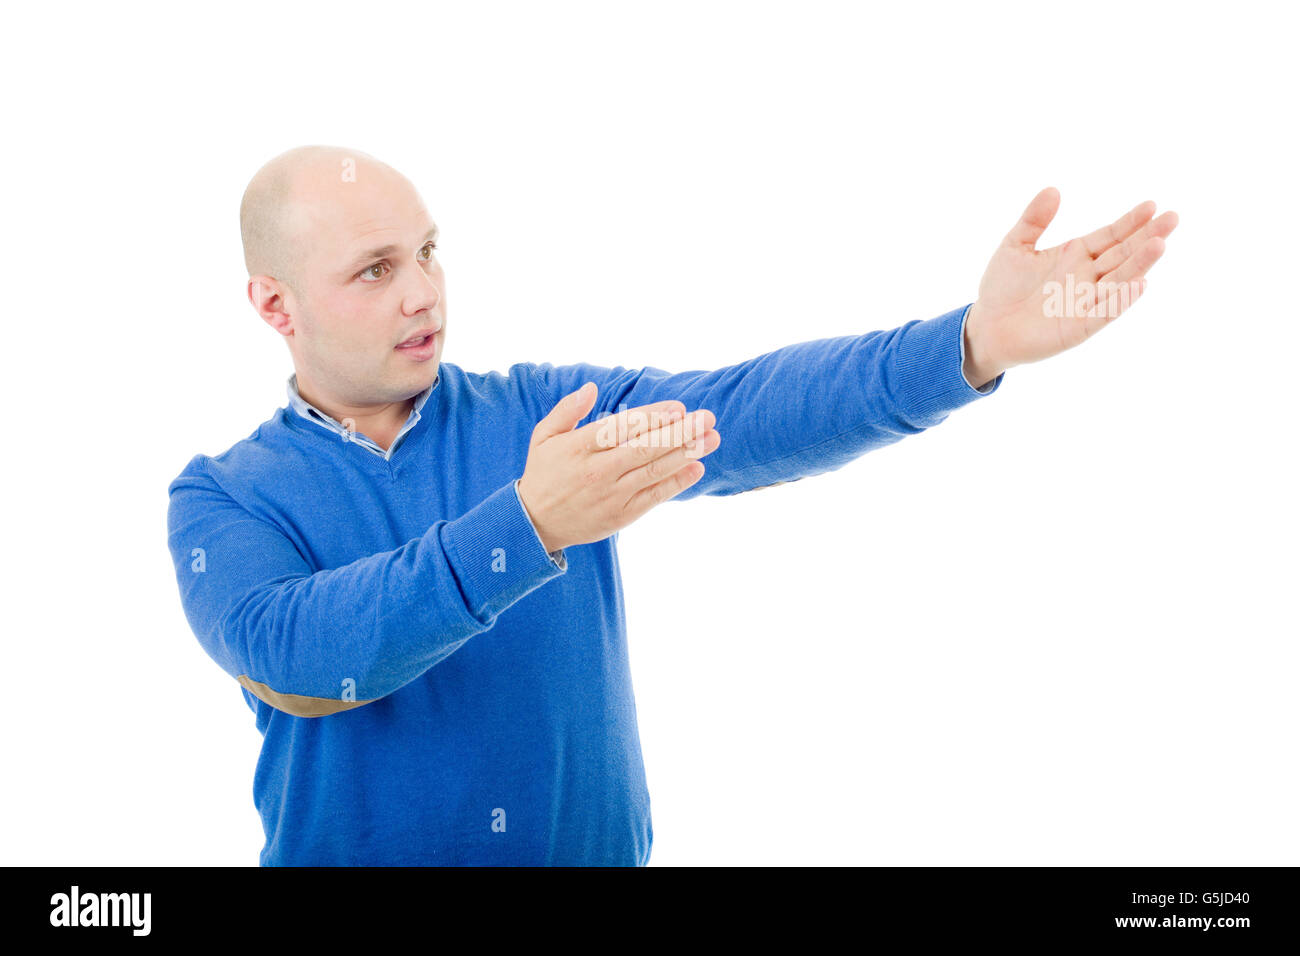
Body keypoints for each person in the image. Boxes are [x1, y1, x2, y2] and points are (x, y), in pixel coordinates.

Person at [166, 144, 1177, 865]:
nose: (423, 294)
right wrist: (528, 525)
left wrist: (969, 345)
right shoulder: (221, 496)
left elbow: (749, 409)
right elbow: (303, 663)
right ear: (273, 304)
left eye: (429, 251)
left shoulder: (541, 414)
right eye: (375, 271)